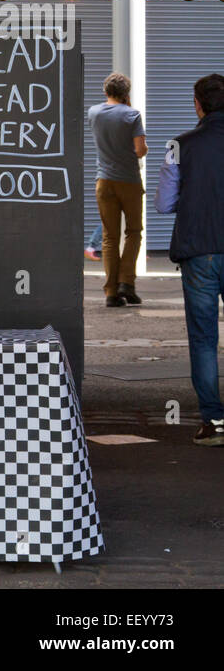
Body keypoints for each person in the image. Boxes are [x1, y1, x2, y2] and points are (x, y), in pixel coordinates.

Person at [154, 73, 224, 447]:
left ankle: (214, 422)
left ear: (197, 104)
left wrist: (195, 197)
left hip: (199, 252)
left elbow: (164, 203)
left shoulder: (179, 146)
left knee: (203, 339)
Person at [88, 72, 148, 307]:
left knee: (109, 237)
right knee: (133, 232)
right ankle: (127, 282)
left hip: (104, 181)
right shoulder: (132, 115)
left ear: (105, 91)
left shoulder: (93, 113)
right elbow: (140, 150)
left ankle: (111, 292)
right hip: (129, 182)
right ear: (126, 94)